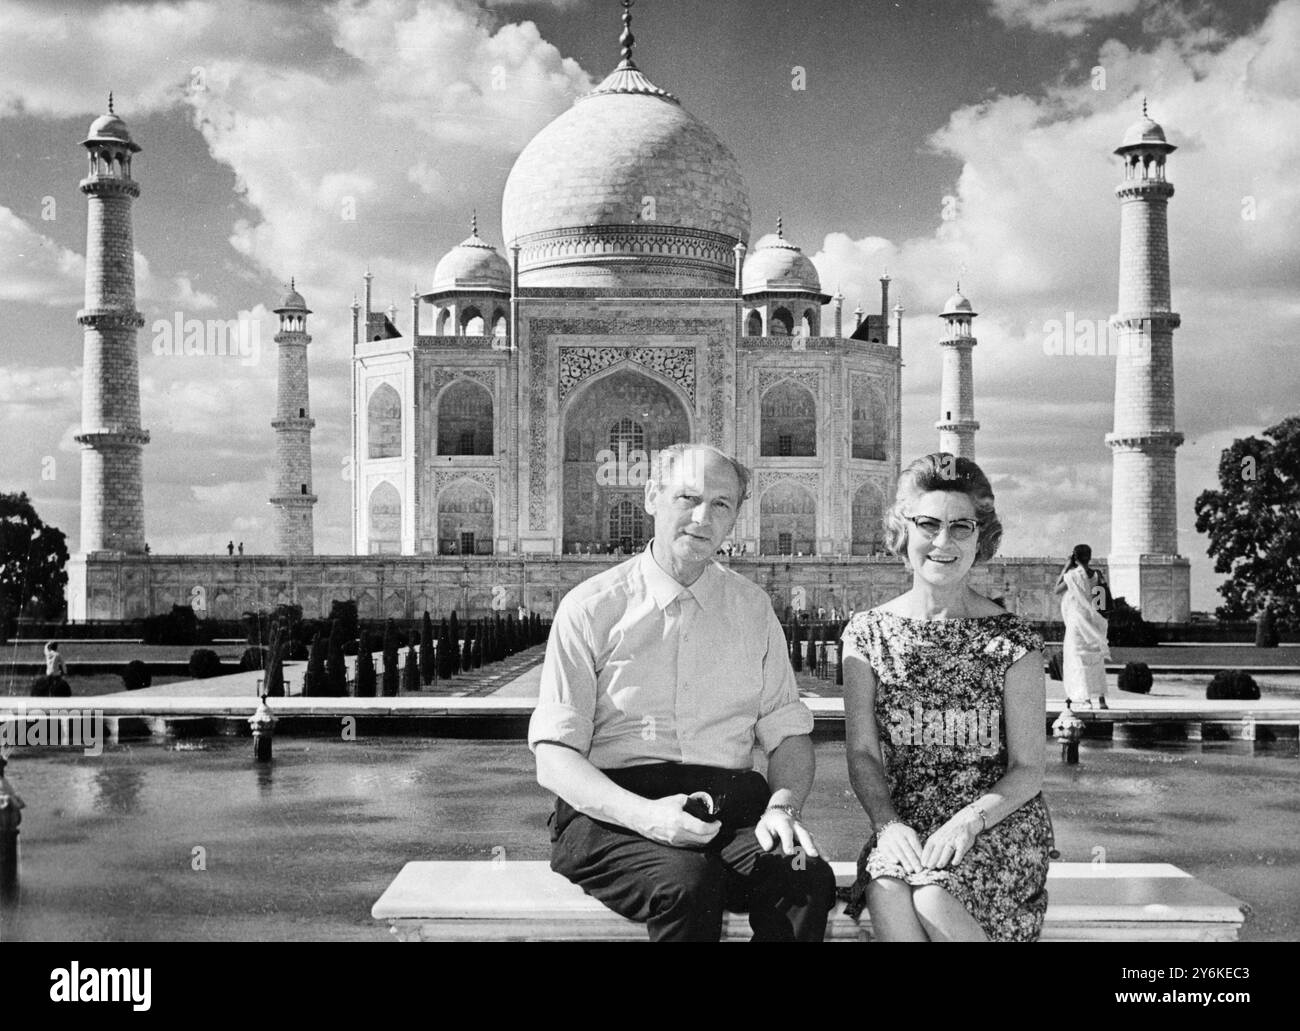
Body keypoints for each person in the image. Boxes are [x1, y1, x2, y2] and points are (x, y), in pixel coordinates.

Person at [529, 443, 837, 941]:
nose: (702, 517)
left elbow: (787, 733)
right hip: (613, 811)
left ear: (735, 516)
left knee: (804, 877)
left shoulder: (751, 609)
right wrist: (647, 817)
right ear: (652, 496)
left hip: (732, 809)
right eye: (687, 498)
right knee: (687, 883)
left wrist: (783, 807)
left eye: (721, 504)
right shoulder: (592, 608)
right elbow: (555, 756)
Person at [840, 453, 1053, 941]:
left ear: (982, 537)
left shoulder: (1013, 642)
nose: (943, 542)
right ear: (903, 531)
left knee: (934, 895)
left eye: (961, 527)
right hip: (906, 822)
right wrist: (887, 824)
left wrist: (968, 822)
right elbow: (863, 754)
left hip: (994, 821)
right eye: (928, 525)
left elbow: (1028, 769)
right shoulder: (869, 635)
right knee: (886, 889)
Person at [1053, 544, 1111, 709]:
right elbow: (1100, 601)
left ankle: (1086, 699)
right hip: (1092, 621)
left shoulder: (1072, 575)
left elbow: (1056, 589)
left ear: (1074, 557)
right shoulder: (1098, 575)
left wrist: (1066, 566)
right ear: (1090, 557)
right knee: (1095, 659)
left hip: (1077, 623)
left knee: (1078, 659)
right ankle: (1101, 700)